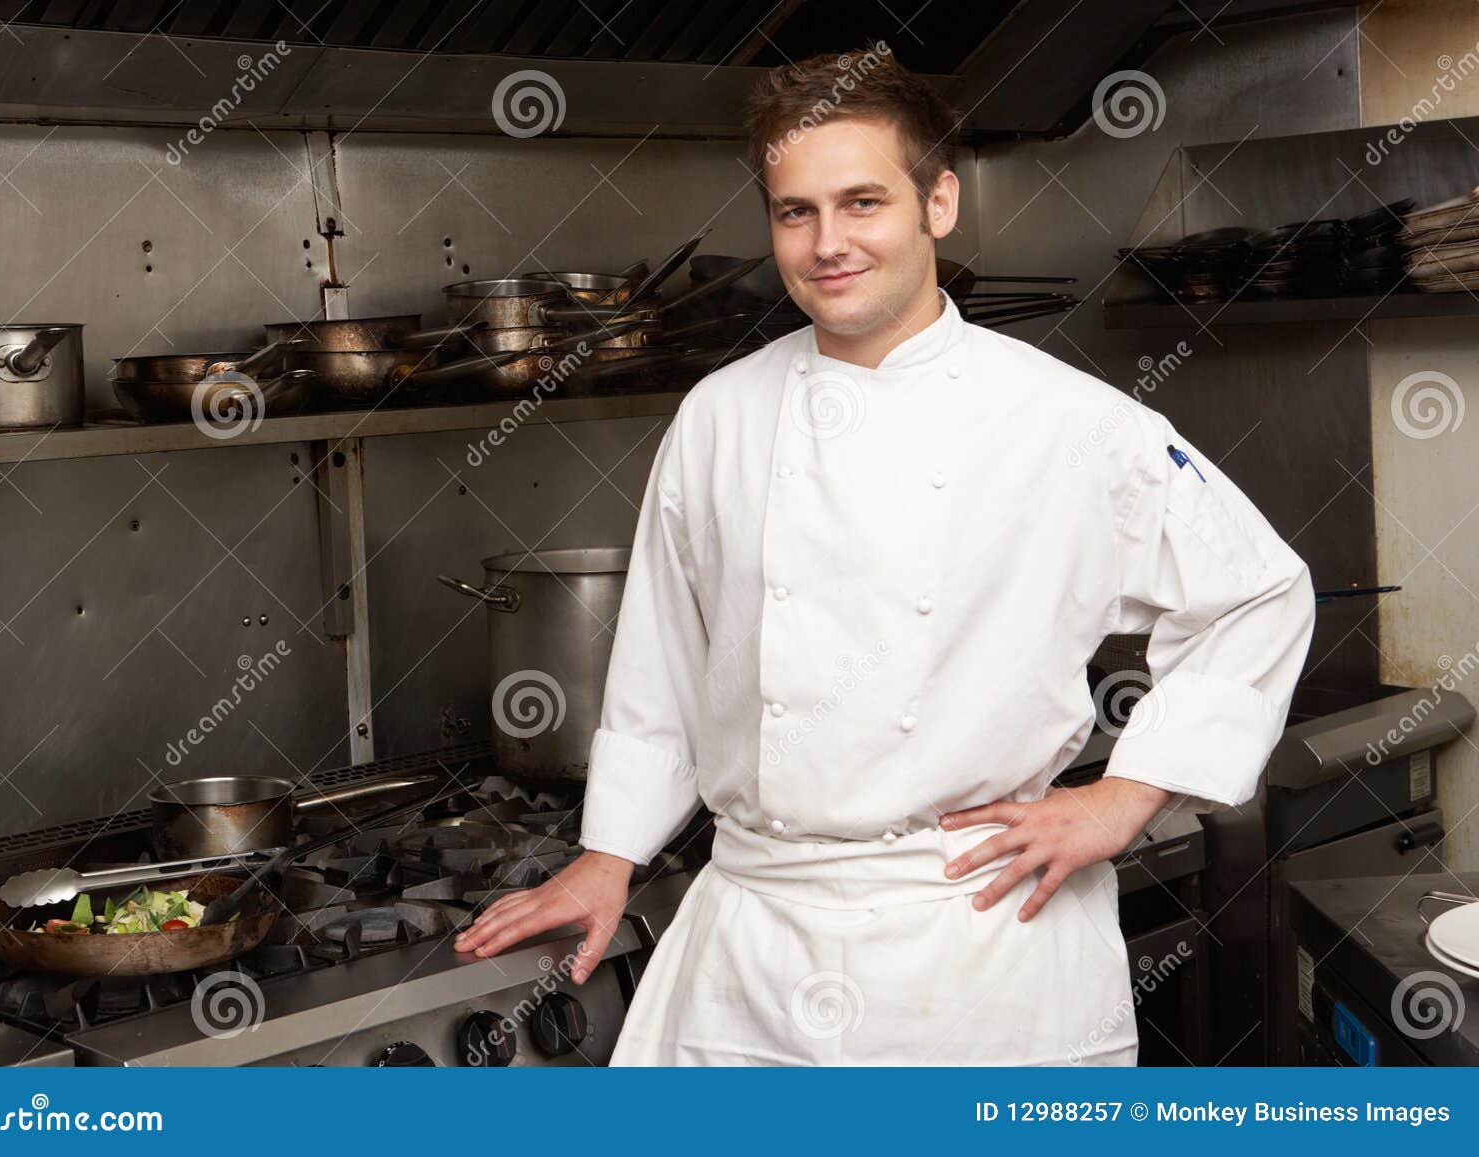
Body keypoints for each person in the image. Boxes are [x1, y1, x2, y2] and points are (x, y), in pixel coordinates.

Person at [454, 46, 1315, 1065]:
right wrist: (609, 855)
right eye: (794, 211)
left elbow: (1257, 593)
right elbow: (661, 669)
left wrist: (1123, 798)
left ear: (937, 203)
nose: (827, 243)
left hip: (979, 940)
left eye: (862, 202)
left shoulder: (1069, 421)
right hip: (754, 945)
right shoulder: (718, 416)